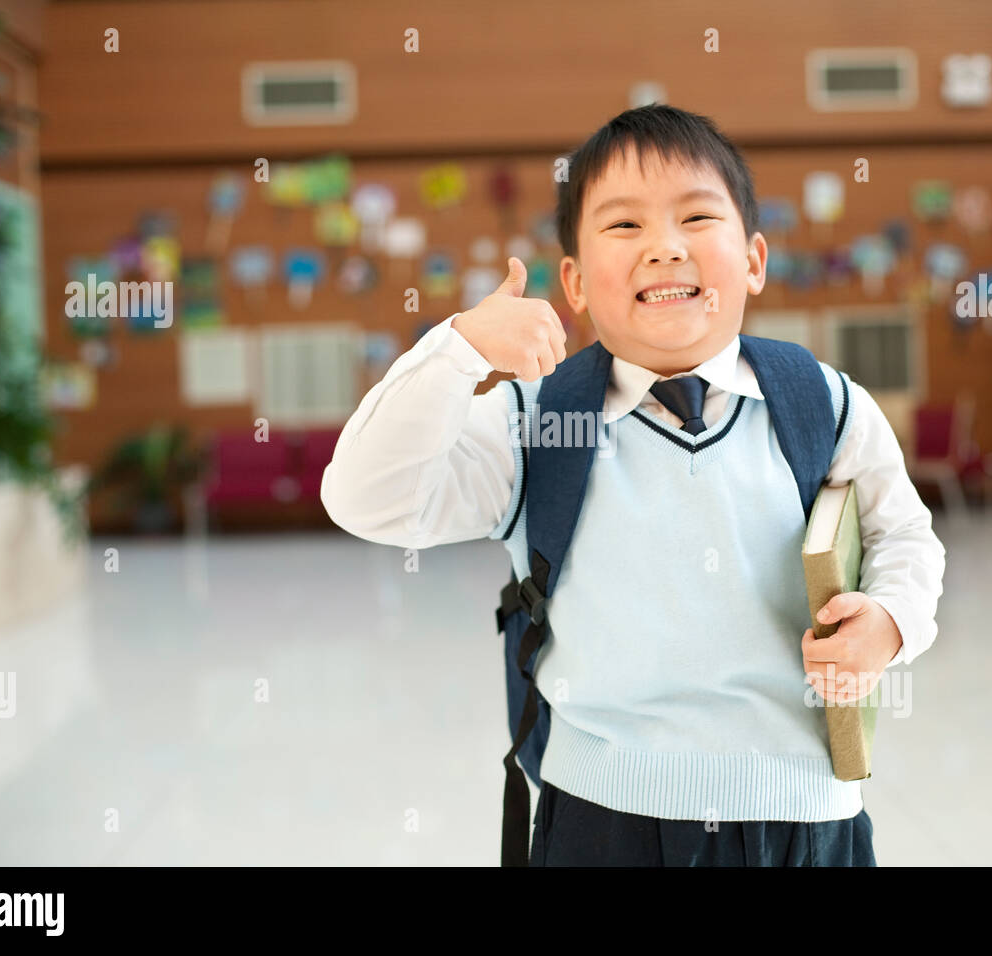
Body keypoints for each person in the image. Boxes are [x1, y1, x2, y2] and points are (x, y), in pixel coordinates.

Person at [321, 104, 946, 866]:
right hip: (605, 820)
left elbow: (903, 534)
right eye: (624, 227)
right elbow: (365, 496)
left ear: (753, 259)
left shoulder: (823, 401)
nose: (664, 247)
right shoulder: (536, 421)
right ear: (575, 283)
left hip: (807, 815)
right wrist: (458, 350)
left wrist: (891, 622)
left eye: (696, 216)